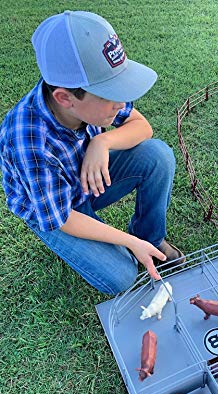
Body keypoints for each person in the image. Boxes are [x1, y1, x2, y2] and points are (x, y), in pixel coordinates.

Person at [0, 10, 185, 295]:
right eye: (110, 95)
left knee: (158, 155)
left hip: (88, 180)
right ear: (65, 98)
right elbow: (62, 217)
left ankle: (150, 237)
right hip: (56, 210)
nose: (121, 102)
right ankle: (135, 243)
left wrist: (102, 143)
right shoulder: (27, 139)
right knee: (121, 276)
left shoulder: (91, 100)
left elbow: (142, 127)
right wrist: (127, 242)